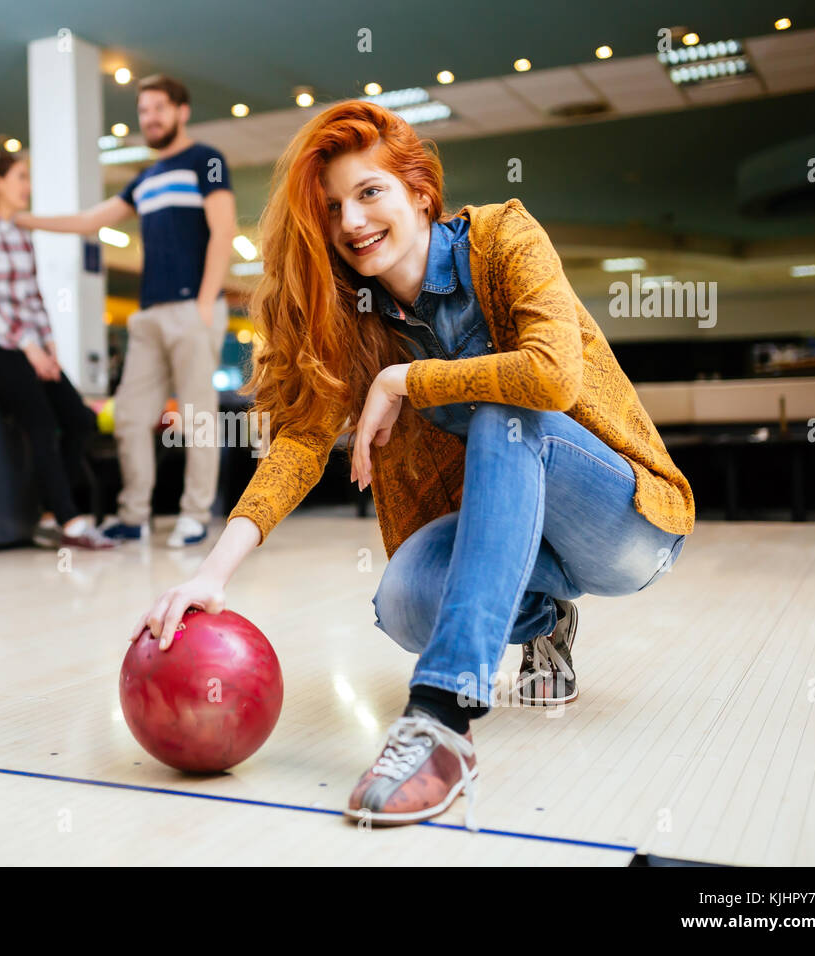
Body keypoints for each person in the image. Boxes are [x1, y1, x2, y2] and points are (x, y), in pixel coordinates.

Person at [128, 101, 695, 828]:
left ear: (420, 192)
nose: (353, 222)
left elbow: (552, 376)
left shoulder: (502, 239)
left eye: (370, 193)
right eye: (333, 208)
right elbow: (300, 443)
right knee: (403, 600)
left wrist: (404, 382)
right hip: (521, 540)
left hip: (625, 526)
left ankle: (440, 722)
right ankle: (545, 620)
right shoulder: (356, 322)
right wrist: (213, 571)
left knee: (505, 408)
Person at [15, 74, 236, 548]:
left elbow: (222, 232)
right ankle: (134, 515)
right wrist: (21, 219)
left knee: (198, 417)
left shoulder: (207, 161)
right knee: (133, 416)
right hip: (148, 316)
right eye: (143, 111)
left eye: (158, 108)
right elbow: (88, 221)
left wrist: (203, 305)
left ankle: (195, 516)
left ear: (182, 111)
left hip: (192, 311)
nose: (149, 118)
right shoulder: (146, 179)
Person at [0, 151, 115, 551]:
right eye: (21, 177)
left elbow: (33, 299)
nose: (28, 186)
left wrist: (50, 349)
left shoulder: (21, 235)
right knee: (39, 424)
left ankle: (46, 514)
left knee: (77, 419)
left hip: (31, 346)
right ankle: (71, 522)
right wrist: (28, 347)